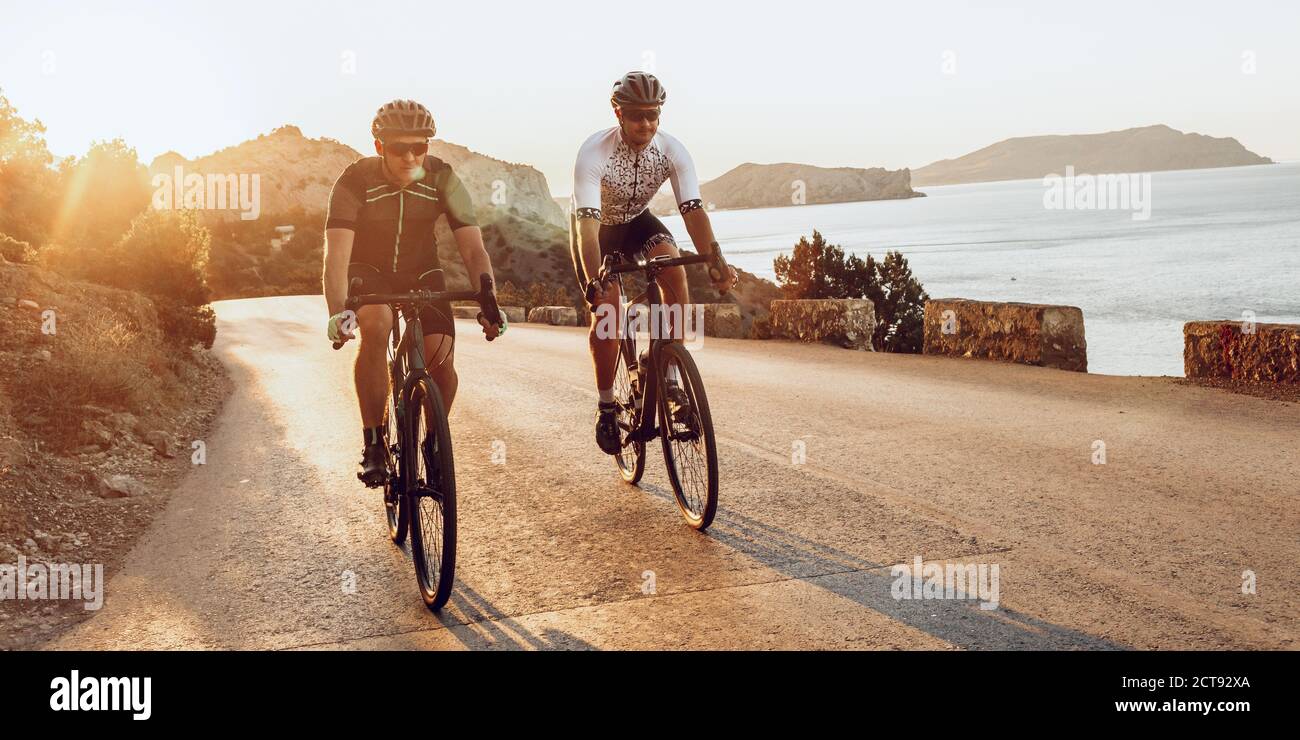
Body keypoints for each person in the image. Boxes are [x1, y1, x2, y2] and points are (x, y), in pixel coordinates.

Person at [324, 99, 505, 486]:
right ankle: (374, 443)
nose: (409, 156)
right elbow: (336, 257)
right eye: (397, 147)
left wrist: (490, 302)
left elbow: (473, 249)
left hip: (422, 270)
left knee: (442, 354)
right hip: (367, 271)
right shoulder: (354, 181)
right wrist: (337, 313)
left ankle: (434, 444)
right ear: (378, 147)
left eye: (419, 147)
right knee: (376, 323)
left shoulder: (443, 178)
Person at [572, 72, 737, 455]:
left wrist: (716, 259)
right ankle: (606, 405)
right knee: (609, 307)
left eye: (652, 114)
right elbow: (586, 229)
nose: (645, 123)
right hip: (595, 229)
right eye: (636, 116)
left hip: (638, 222)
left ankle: (670, 373)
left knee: (674, 268)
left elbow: (693, 211)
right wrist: (597, 279)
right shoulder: (593, 153)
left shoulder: (672, 151)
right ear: (618, 114)